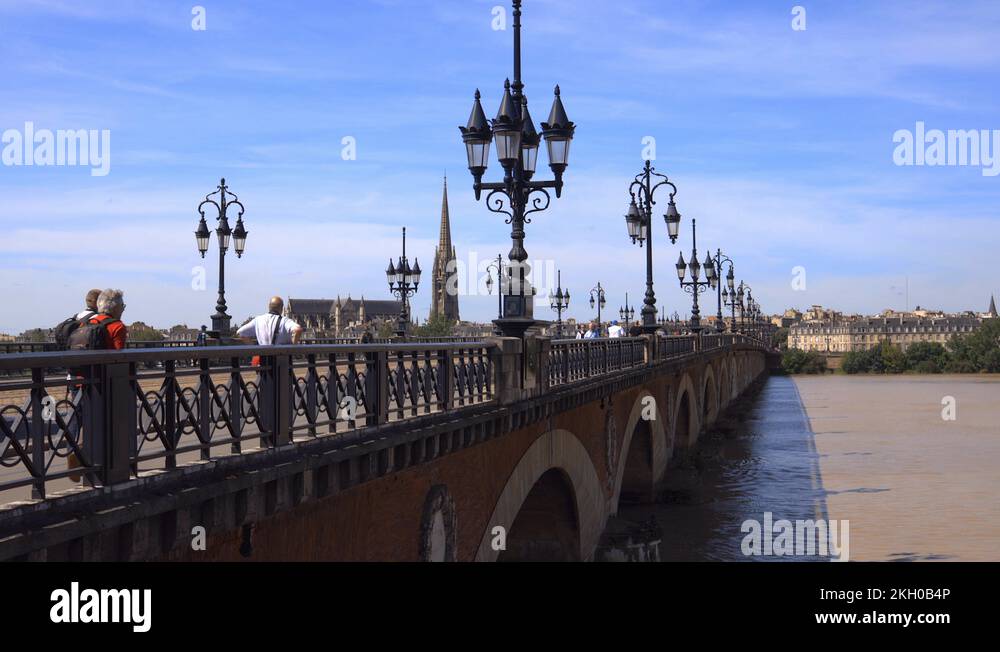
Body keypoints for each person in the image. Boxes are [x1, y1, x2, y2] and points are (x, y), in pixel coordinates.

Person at [66, 289, 129, 481]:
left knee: (78, 418)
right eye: (123, 305)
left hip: (79, 379)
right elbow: (118, 358)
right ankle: (103, 467)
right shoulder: (117, 326)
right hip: (103, 384)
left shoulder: (87, 323)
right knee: (105, 424)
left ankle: (76, 453)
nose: (124, 309)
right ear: (116, 307)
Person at [236, 296, 303, 348]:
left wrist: (254, 347)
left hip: (264, 359)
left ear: (269, 307)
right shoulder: (285, 321)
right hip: (281, 359)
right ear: (282, 308)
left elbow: (240, 333)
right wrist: (293, 347)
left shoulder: (258, 320)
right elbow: (298, 329)